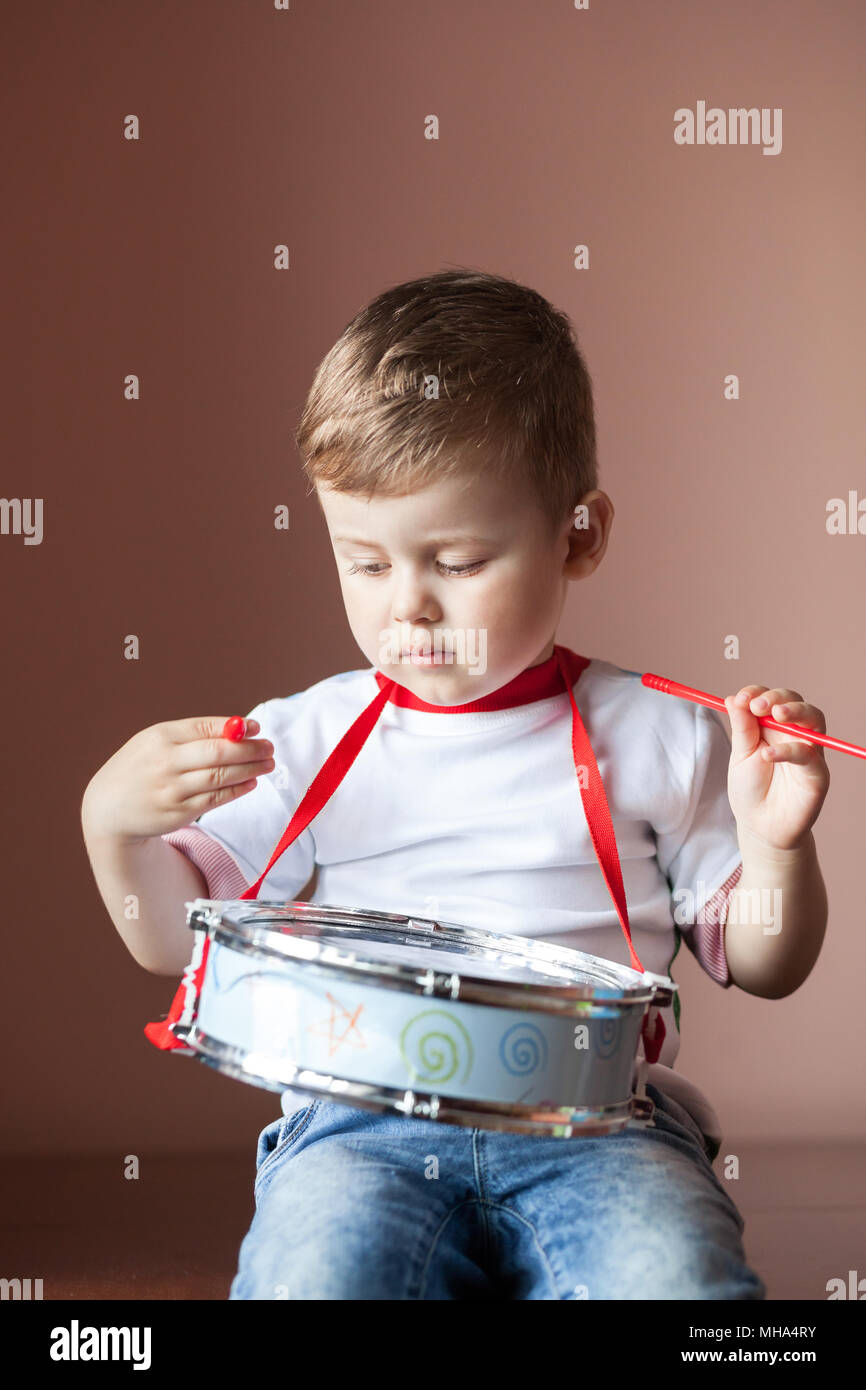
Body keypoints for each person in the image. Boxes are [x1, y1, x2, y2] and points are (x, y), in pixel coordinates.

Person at [81, 268, 829, 1300]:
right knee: (315, 1278)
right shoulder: (306, 740)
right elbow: (176, 942)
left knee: (674, 1280)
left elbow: (767, 961)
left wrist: (778, 844)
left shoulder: (659, 734)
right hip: (359, 1129)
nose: (410, 610)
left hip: (599, 1129)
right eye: (367, 563)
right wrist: (111, 827)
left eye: (459, 560)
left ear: (580, 533)